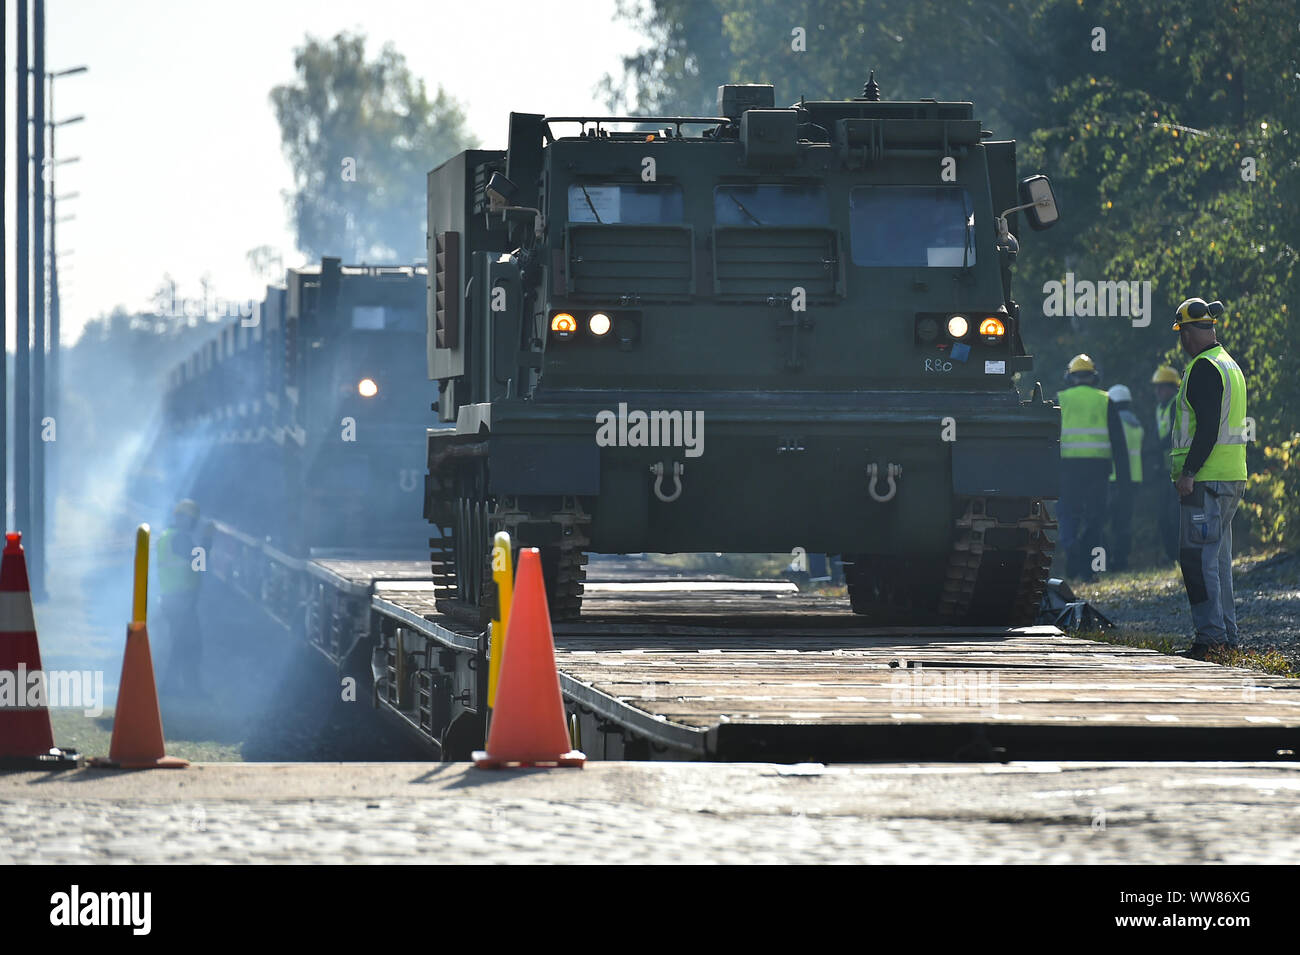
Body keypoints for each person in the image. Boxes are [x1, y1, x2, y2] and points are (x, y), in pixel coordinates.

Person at [1168, 299, 1248, 660]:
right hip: (1231, 477)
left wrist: (1189, 473)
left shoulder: (1203, 368)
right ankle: (1226, 637)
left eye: (1181, 333)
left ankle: (1211, 638)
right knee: (1216, 561)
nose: (1181, 342)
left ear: (1187, 332)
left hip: (1206, 481)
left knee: (1198, 559)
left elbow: (1208, 428)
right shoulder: (1229, 364)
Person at [1057, 354, 1131, 581]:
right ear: (1094, 376)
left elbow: (1050, 440)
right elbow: (1119, 443)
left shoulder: (1061, 399)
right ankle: (1088, 571)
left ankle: (1072, 552)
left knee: (1068, 515)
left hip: (1068, 469)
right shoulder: (1105, 400)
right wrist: (1124, 479)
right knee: (1094, 518)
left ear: (1070, 377)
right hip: (1098, 469)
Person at [158, 499, 212, 696]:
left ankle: (178, 687)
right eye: (192, 519)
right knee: (190, 645)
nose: (193, 524)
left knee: (182, 644)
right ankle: (185, 688)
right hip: (180, 601)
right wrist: (207, 541)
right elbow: (200, 564)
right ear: (182, 518)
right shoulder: (179, 538)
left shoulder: (167, 536)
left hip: (173, 599)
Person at [1105, 384, 1144, 571]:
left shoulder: (1112, 423)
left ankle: (1103, 564)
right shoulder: (1137, 426)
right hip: (1133, 481)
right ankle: (1122, 561)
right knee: (1124, 523)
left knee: (1106, 523)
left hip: (1112, 479)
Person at [1149, 365, 1182, 561]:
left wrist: (1155, 449)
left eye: (1161, 387)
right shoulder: (1160, 408)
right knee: (1164, 516)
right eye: (1157, 387)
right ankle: (1172, 556)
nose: (1158, 391)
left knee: (1175, 515)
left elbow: (1174, 435)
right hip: (1165, 470)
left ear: (1171, 387)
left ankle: (1179, 555)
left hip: (1178, 469)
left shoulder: (1176, 404)